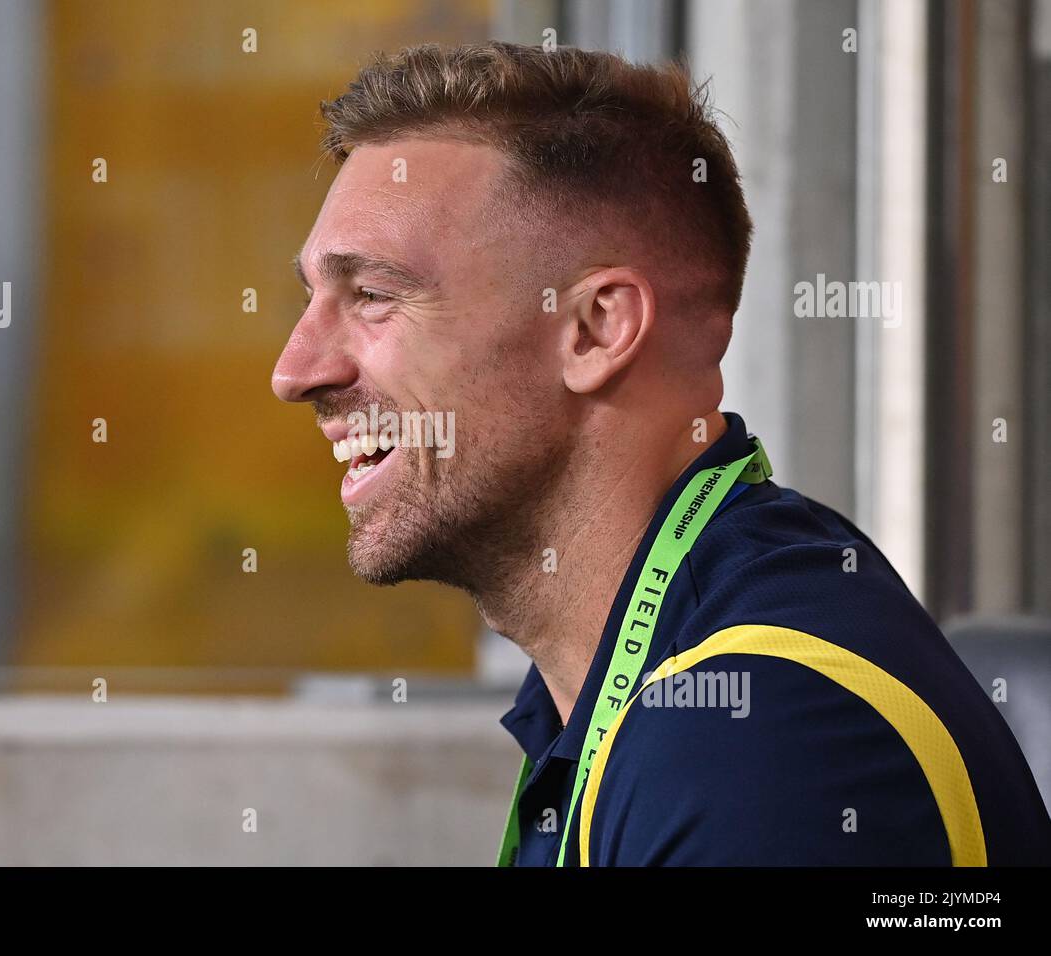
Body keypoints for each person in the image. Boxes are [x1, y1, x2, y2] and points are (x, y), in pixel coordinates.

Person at [270, 41, 1051, 865]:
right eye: (311, 297)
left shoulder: (758, 740)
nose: (296, 371)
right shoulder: (626, 682)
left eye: (374, 297)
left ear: (598, 329)